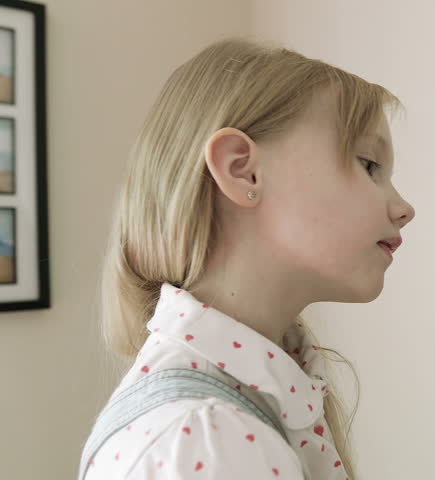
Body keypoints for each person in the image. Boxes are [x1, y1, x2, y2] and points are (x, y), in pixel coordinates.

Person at [81, 38, 414, 479]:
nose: (404, 208)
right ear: (242, 170)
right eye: (370, 165)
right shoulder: (209, 439)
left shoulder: (249, 407)